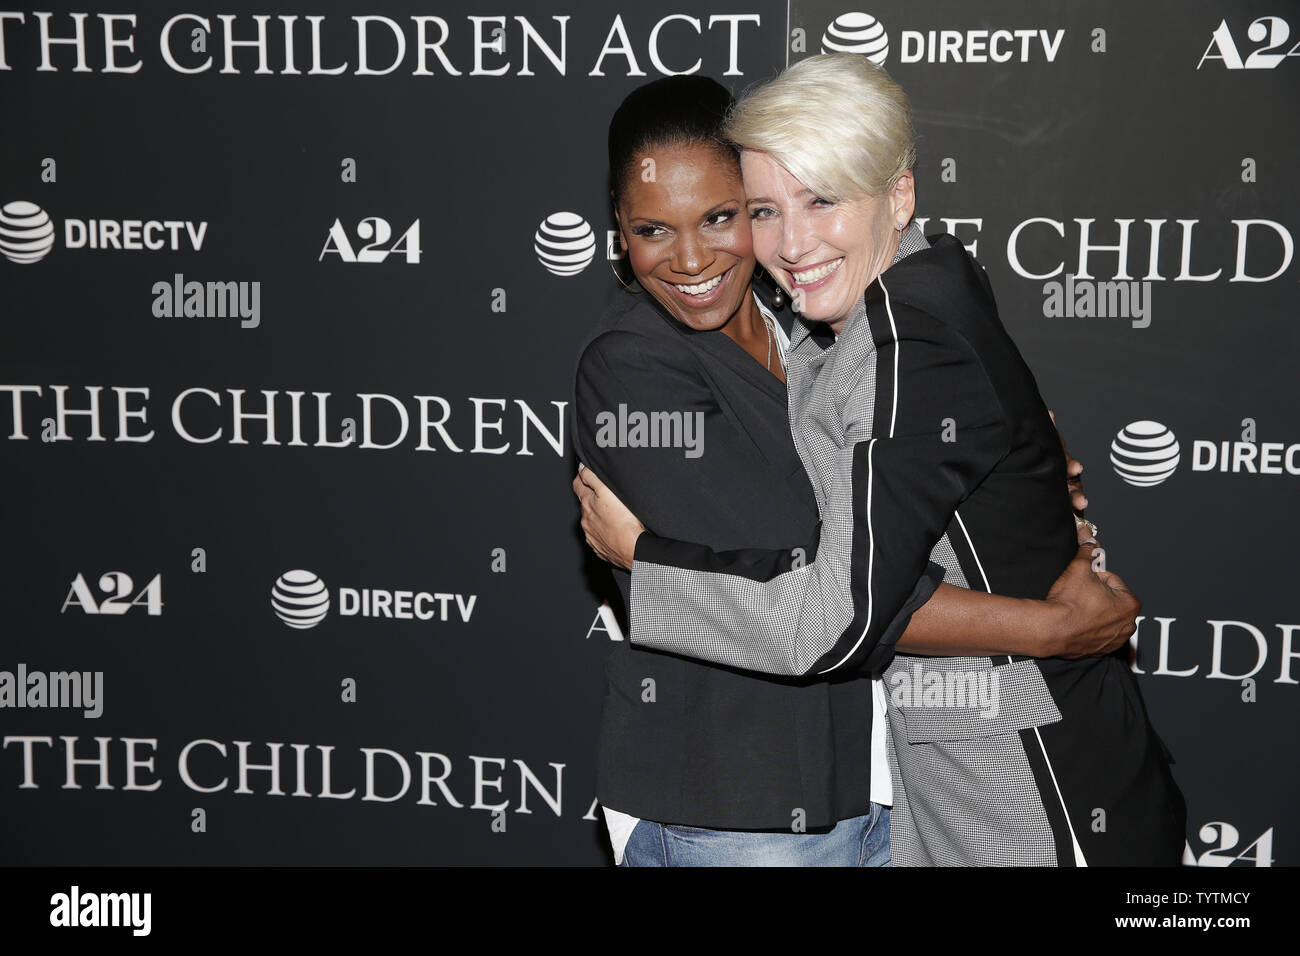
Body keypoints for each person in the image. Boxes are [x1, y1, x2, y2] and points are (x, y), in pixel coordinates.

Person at [575, 57, 1185, 866]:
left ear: (898, 195)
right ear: (617, 228)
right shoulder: (638, 361)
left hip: (970, 779)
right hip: (742, 799)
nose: (694, 257)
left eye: (727, 216)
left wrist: (1006, 453)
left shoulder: (847, 324)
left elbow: (848, 580)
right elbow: (831, 579)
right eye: (653, 228)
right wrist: (1052, 623)